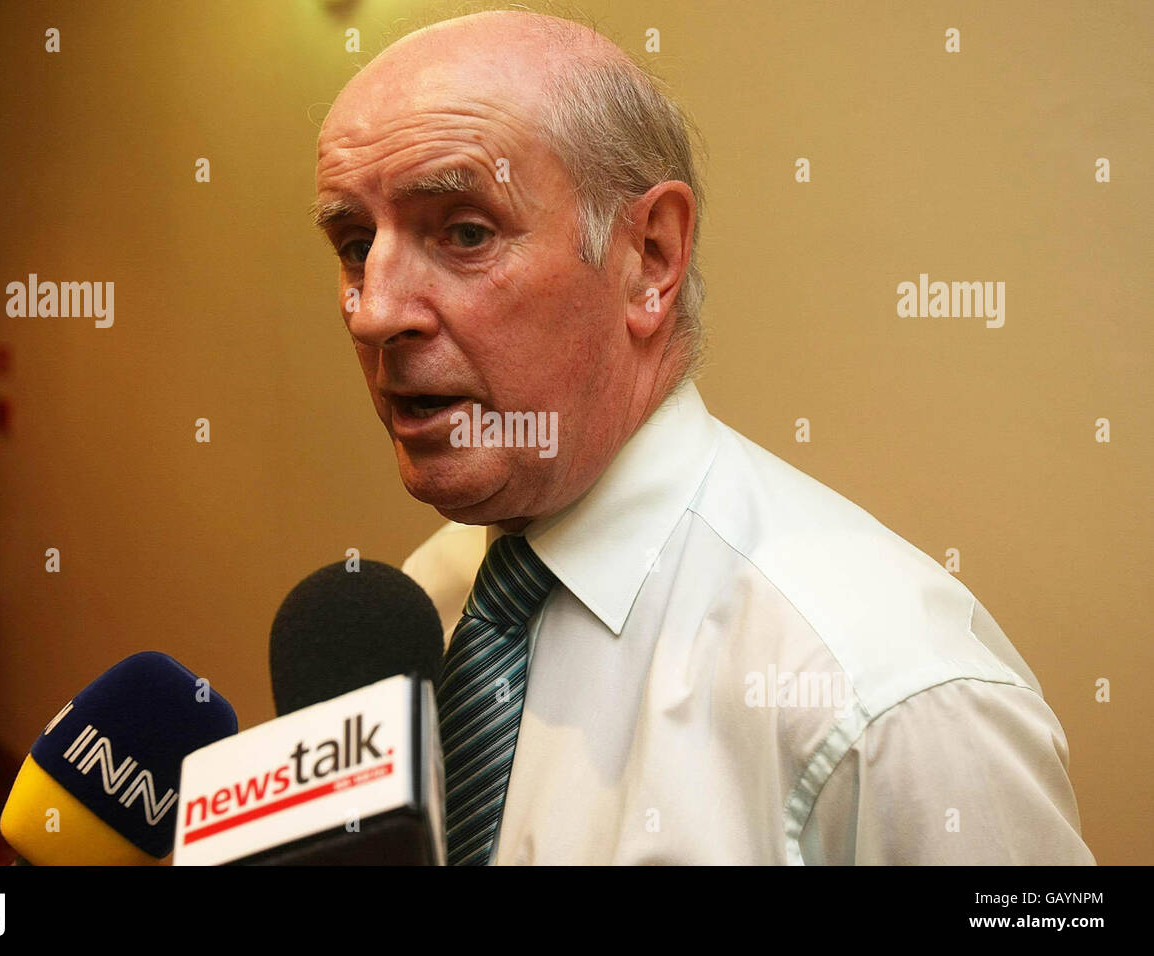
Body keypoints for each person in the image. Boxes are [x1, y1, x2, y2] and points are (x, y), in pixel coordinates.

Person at [312, 9, 1094, 865]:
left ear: (649, 257)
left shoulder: (888, 696)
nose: (374, 312)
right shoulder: (428, 600)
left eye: (466, 233)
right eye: (356, 244)